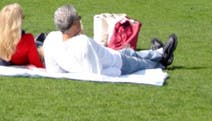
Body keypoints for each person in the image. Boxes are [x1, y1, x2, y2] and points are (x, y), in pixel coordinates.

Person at [42, 5, 177, 76]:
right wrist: (117, 71)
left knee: (131, 52)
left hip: (112, 53)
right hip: (118, 63)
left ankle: (159, 52)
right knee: (143, 64)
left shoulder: (51, 40)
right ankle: (162, 61)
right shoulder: (82, 43)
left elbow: (55, 72)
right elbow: (95, 73)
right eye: (79, 19)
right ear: (74, 24)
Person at [0, 3, 44, 68]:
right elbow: (38, 66)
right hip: (31, 48)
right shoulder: (27, 40)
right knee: (42, 45)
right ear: (17, 23)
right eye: (22, 18)